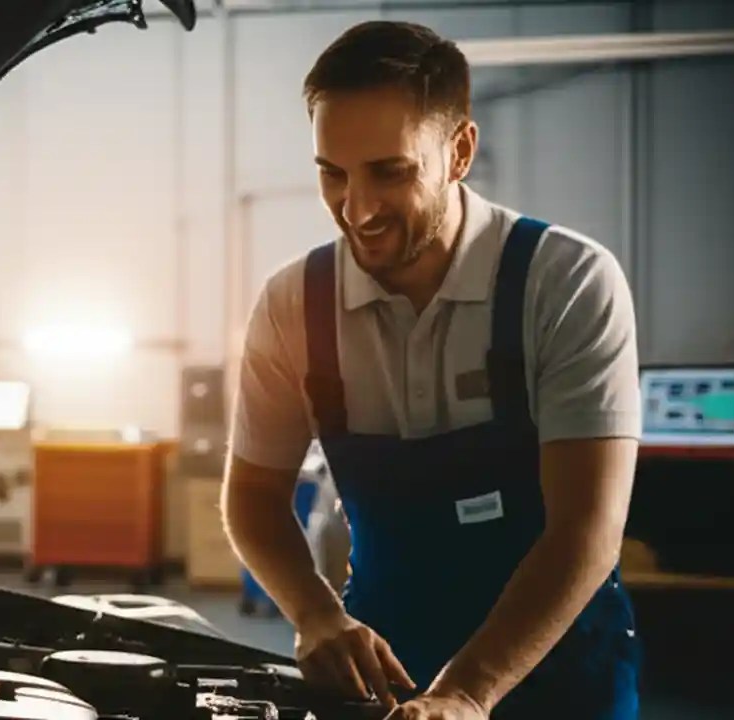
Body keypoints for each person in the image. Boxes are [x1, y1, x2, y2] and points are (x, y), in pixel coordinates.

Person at [222, 20, 642, 720]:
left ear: (460, 152)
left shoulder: (567, 282)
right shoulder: (293, 304)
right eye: (332, 173)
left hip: (565, 674)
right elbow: (254, 498)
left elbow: (586, 529)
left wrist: (469, 690)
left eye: (390, 172)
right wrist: (316, 614)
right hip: (387, 680)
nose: (357, 209)